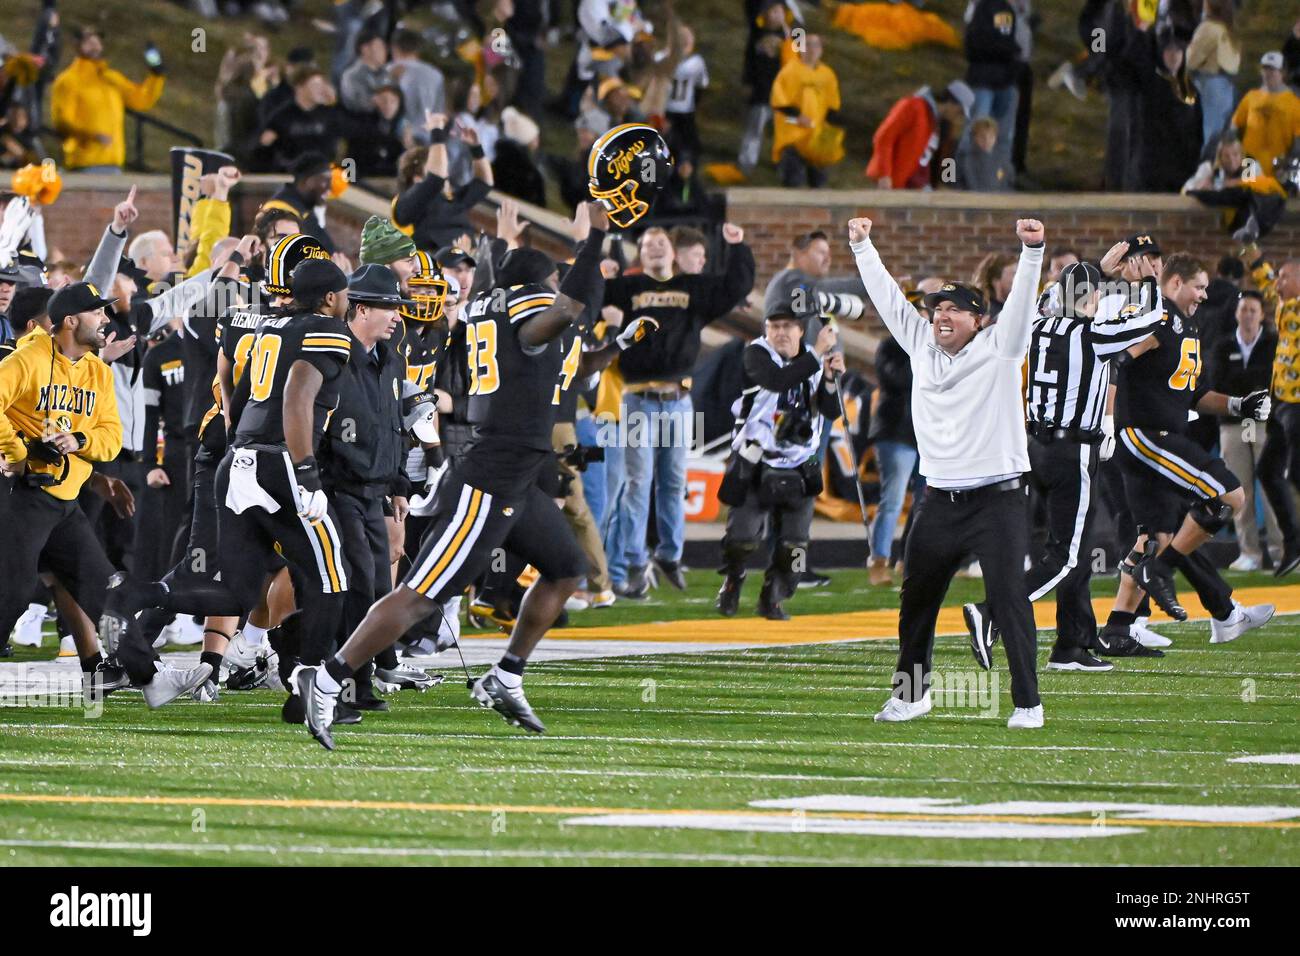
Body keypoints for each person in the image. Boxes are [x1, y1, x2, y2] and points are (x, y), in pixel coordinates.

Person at [294, 205, 617, 749]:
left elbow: (560, 339)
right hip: (492, 475)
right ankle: (325, 679)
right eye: (551, 283)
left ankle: (505, 675)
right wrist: (596, 240)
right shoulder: (530, 312)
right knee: (422, 595)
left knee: (567, 568)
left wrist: (505, 246)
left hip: (520, 470)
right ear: (538, 286)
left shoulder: (491, 306)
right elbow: (564, 309)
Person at [850, 214, 1046, 729]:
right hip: (938, 499)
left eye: (955, 310)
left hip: (997, 499)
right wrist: (864, 247)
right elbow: (889, 299)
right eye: (938, 308)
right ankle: (912, 695)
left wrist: (1031, 253)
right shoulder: (920, 347)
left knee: (1009, 600)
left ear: (979, 320)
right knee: (916, 599)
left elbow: (1022, 308)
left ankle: (1028, 702)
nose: (941, 316)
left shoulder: (1001, 348)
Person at [0, 282, 207, 703]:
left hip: (64, 502)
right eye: (98, 312)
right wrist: (18, 451)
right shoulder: (30, 357)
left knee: (105, 590)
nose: (107, 320)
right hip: (21, 496)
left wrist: (78, 440)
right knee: (13, 591)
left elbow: (112, 437)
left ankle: (150, 677)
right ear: (71, 320)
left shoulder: (95, 369)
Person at [964, 260, 1165, 673]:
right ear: (1090, 297)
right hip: (1072, 452)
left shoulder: (1039, 322)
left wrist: (1096, 273)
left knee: (1070, 545)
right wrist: (1149, 283)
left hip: (1034, 446)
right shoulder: (1093, 335)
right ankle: (992, 612)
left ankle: (1072, 644)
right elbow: (1151, 319)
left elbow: (1049, 297)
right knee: (1069, 557)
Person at [1100, 253, 1275, 648]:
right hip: (1145, 435)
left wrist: (1239, 405)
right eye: (1199, 285)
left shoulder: (1187, 325)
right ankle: (1161, 573)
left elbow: (1195, 395)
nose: (1205, 294)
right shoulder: (1157, 316)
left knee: (1153, 534)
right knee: (1228, 494)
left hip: (1155, 435)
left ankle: (1117, 628)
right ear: (1175, 283)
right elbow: (1116, 361)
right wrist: (1109, 421)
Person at [602, 224, 755, 597]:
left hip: (679, 401)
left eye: (661, 243)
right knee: (637, 484)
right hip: (637, 399)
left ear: (673, 251)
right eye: (647, 244)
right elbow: (588, 299)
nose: (654, 248)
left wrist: (737, 247)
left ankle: (670, 554)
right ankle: (637, 561)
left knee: (673, 482)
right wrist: (600, 273)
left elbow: (735, 288)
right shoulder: (627, 288)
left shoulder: (692, 288)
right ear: (640, 253)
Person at [318, 264, 437, 703]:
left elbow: (393, 427)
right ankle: (347, 684)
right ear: (360, 307)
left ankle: (359, 677)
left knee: (378, 588)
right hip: (336, 487)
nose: (397, 316)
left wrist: (400, 484)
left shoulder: (391, 360)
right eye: (388, 307)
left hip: (374, 491)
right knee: (358, 585)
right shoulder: (330, 354)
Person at [716, 311, 843, 620]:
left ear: (801, 330)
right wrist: (817, 353)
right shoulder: (756, 354)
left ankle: (773, 596)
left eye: (788, 326)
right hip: (755, 460)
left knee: (796, 547)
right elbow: (777, 379)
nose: (781, 332)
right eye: (775, 326)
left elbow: (831, 410)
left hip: (801, 463)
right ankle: (734, 578)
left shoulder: (814, 361)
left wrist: (829, 380)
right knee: (742, 539)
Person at [1209, 290, 1281, 571]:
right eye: (1244, 309)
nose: (1248, 314)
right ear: (1236, 313)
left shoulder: (1274, 343)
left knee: (1272, 488)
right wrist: (1253, 382)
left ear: (1262, 314)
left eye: (1253, 309)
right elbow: (1217, 381)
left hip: (1265, 423)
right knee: (1240, 489)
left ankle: (1281, 550)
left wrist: (1242, 382)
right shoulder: (1223, 345)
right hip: (1232, 424)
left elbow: (1272, 380)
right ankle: (1249, 552)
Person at [49, 26, 164, 173]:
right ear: (77, 45)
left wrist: (156, 76)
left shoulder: (110, 77)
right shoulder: (68, 80)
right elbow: (62, 122)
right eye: (88, 41)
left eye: (97, 41)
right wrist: (93, 136)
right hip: (85, 163)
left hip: (114, 163)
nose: (94, 45)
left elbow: (141, 100)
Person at [1249, 249, 1300, 576]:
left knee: (1295, 474)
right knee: (1269, 471)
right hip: (1282, 403)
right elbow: (1269, 286)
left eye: (1284, 277)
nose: (1277, 283)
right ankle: (1293, 544)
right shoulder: (1286, 304)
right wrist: (1254, 258)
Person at [867, 81, 973, 190]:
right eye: (959, 112)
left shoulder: (942, 124)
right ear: (950, 103)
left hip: (917, 185)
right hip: (893, 183)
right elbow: (884, 138)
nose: (959, 117)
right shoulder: (913, 106)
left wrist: (947, 181)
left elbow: (946, 157)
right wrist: (884, 175)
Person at [769, 33, 842, 188]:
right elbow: (779, 102)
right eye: (807, 45)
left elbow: (833, 105)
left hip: (817, 138)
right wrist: (797, 116)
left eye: (816, 45)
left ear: (821, 50)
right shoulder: (789, 71)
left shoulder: (827, 74)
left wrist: (827, 131)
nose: (812, 49)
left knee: (820, 186)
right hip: (794, 138)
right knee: (793, 185)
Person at [962, 0, 1021, 171]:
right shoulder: (982, 7)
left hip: (1005, 80)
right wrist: (1008, 50)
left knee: (1002, 136)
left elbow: (1007, 37)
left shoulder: (1008, 10)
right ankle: (965, 177)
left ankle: (998, 180)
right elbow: (972, 44)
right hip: (982, 79)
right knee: (977, 131)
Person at [1231, 52, 1300, 184]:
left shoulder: (1294, 102)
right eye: (1265, 69)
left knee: (1275, 197)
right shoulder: (1251, 96)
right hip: (1249, 161)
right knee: (1248, 194)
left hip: (1278, 164)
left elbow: (1298, 140)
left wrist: (1289, 164)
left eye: (1272, 69)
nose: (1268, 73)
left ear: (1282, 72)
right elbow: (1235, 125)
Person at [1186, 0, 1241, 150]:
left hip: (1211, 84)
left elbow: (1191, 60)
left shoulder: (1209, 28)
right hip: (1227, 85)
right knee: (1223, 134)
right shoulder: (1229, 29)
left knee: (1211, 135)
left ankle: (1208, 168)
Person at [260, 153, 337, 253]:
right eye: (325, 180)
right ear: (308, 181)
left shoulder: (304, 208)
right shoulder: (279, 210)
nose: (330, 188)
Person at [389, 29, 446, 144]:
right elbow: (439, 109)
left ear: (394, 49)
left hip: (396, 138)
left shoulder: (389, 71)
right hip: (428, 137)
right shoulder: (436, 74)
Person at [338, 29, 392, 115]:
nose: (384, 51)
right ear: (365, 49)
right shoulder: (352, 75)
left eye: (385, 48)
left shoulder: (386, 73)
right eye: (380, 47)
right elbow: (361, 104)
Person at [956, 116, 1014, 191]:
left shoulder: (1003, 161)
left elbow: (1009, 184)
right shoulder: (963, 159)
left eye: (991, 137)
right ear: (974, 137)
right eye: (982, 136)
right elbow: (955, 184)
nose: (987, 140)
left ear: (996, 138)